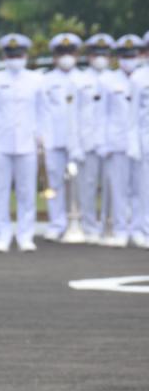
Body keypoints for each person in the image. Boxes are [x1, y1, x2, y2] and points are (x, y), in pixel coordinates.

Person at [0, 33, 44, 252]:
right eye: (11, 55)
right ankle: (2, 234)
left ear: (25, 55)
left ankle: (25, 235)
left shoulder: (36, 80)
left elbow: (41, 111)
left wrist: (41, 135)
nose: (15, 59)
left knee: (27, 192)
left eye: (18, 55)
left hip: (27, 142)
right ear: (5, 56)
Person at [97, 34, 142, 246]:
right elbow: (102, 114)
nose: (128, 59)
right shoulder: (107, 81)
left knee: (143, 189)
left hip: (143, 143)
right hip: (116, 141)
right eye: (124, 56)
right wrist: (103, 142)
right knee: (119, 189)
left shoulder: (144, 78)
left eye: (132, 55)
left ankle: (142, 230)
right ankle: (120, 230)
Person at [41, 33, 82, 241]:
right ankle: (56, 223)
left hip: (80, 142)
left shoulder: (85, 79)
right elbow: (42, 113)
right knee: (54, 183)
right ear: (55, 56)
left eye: (69, 52)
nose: (66, 56)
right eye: (61, 53)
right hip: (54, 139)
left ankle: (80, 222)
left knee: (80, 183)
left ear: (76, 54)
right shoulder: (46, 81)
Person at [73, 34, 112, 242]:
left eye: (104, 54)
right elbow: (75, 115)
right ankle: (89, 227)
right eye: (96, 53)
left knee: (111, 187)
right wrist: (76, 144)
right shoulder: (79, 80)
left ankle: (110, 225)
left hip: (110, 143)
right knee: (86, 186)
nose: (100, 58)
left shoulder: (116, 79)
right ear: (89, 56)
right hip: (86, 141)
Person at [130, 41, 149, 248]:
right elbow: (132, 116)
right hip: (146, 139)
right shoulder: (139, 78)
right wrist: (133, 142)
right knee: (144, 190)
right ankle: (144, 230)